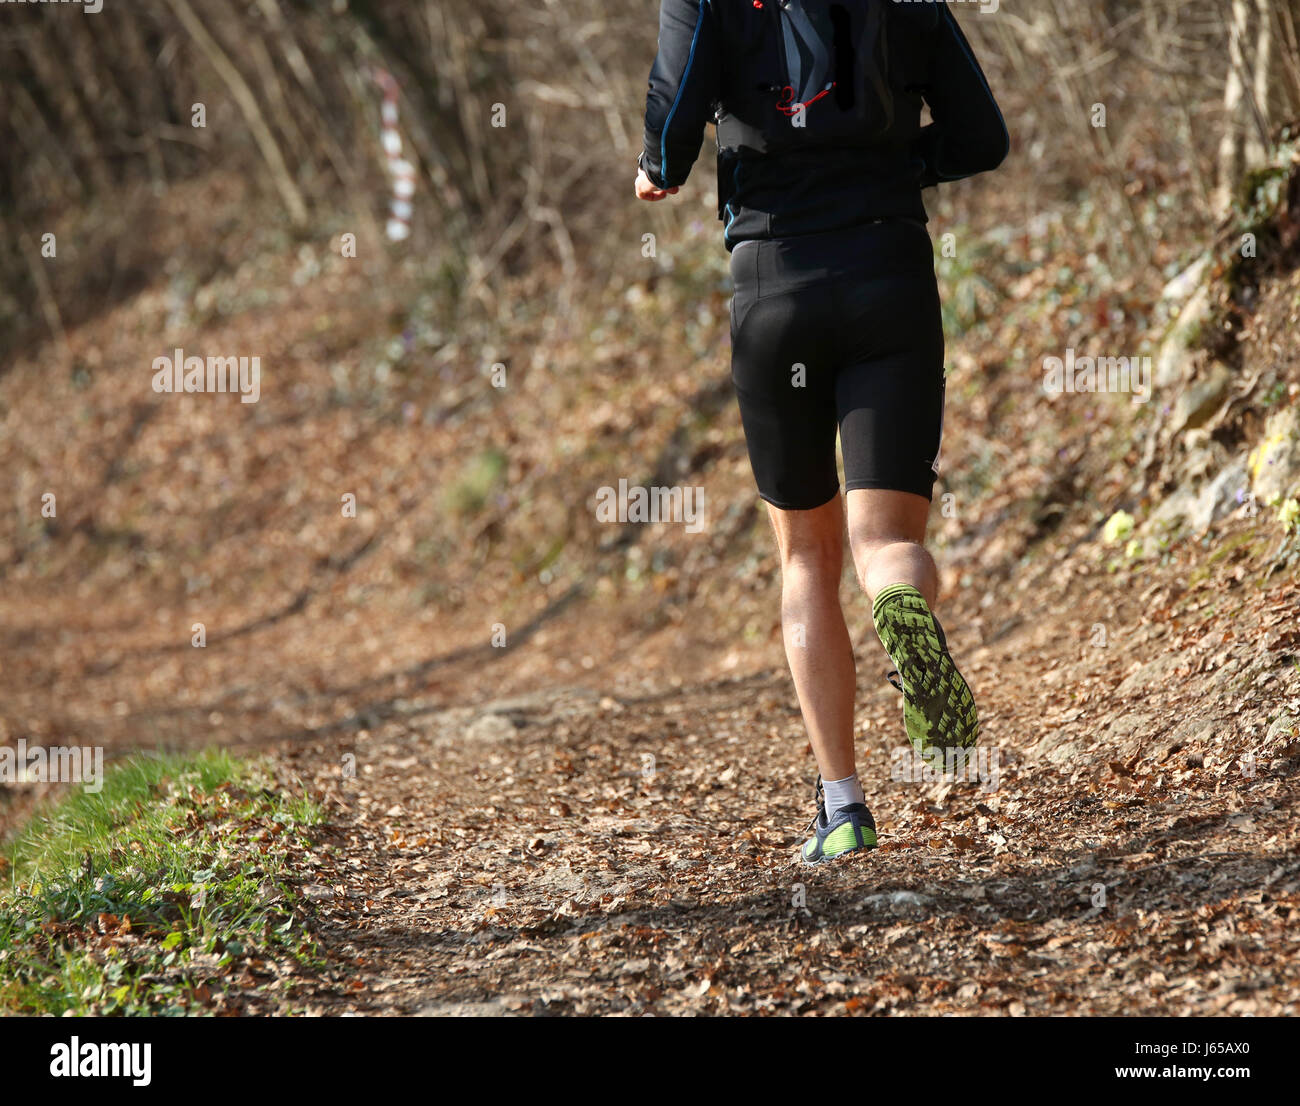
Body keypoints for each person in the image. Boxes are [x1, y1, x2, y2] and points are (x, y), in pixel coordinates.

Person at [635, 0, 1008, 863]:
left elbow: (676, 105)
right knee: (885, 544)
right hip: (890, 274)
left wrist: (658, 164)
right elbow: (982, 136)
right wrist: (890, 167)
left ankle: (843, 809)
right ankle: (898, 602)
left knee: (806, 553)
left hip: (775, 284)